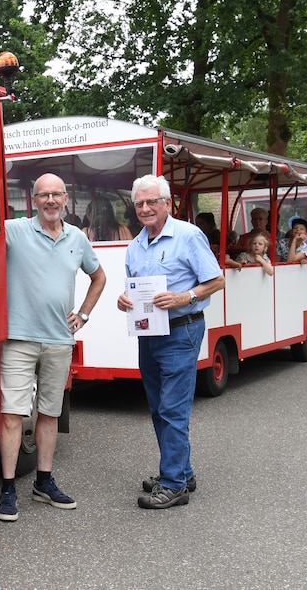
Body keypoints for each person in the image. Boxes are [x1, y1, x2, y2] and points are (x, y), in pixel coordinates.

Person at [0, 173, 107, 522]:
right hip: (20, 339)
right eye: (44, 195)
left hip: (60, 340)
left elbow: (99, 277)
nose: (51, 201)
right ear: (34, 199)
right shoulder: (17, 230)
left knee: (49, 414)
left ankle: (44, 482)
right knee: (13, 414)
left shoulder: (77, 238)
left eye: (56, 194)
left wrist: (84, 314)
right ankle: (8, 488)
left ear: (66, 198)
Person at [115, 174, 224, 510]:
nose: (145, 208)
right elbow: (133, 289)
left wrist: (184, 297)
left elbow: (217, 280)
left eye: (152, 202)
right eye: (140, 204)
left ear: (167, 203)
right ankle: (182, 471)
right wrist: (124, 300)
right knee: (157, 406)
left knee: (173, 409)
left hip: (182, 329)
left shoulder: (188, 235)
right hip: (149, 332)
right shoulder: (135, 245)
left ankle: (174, 484)